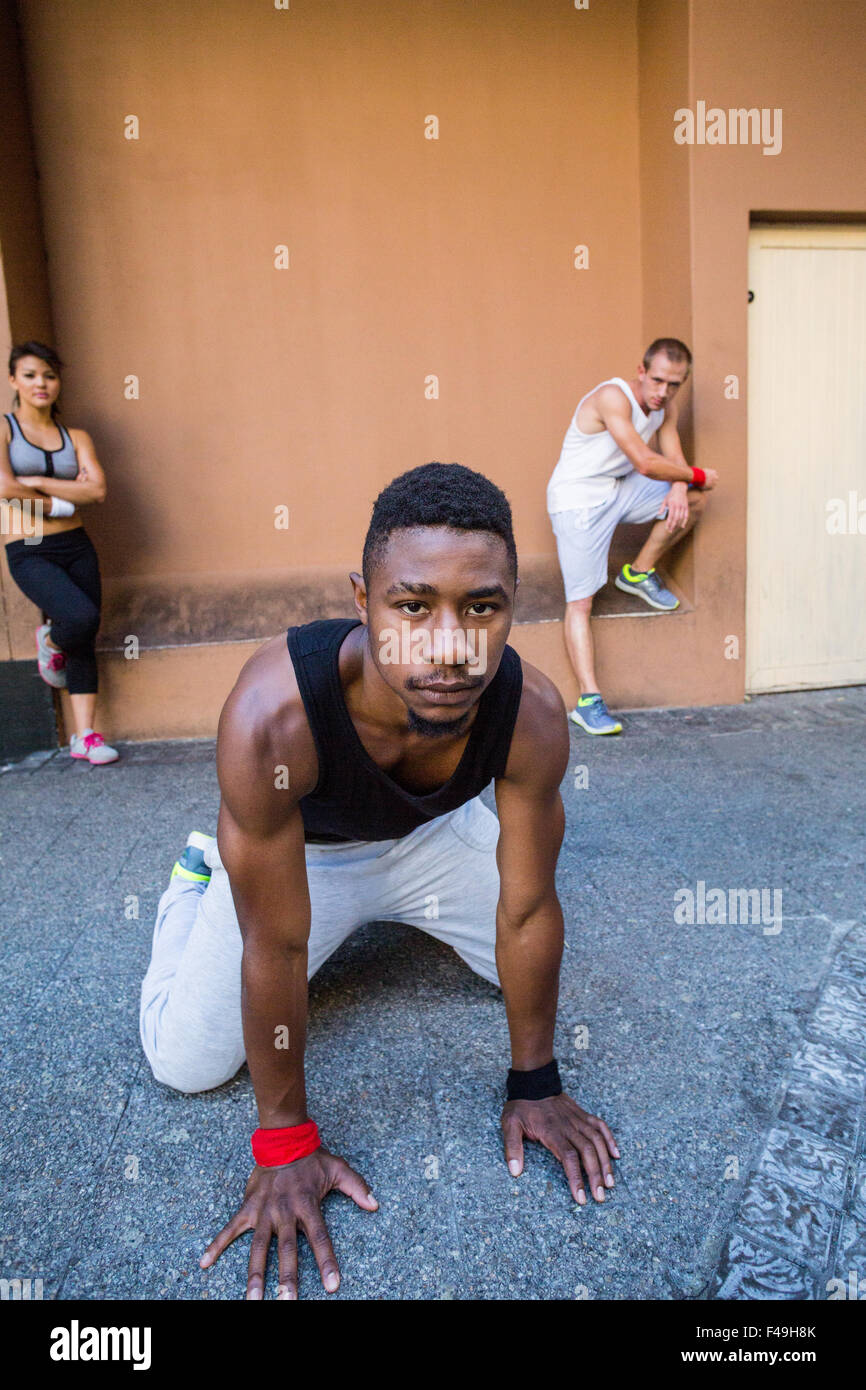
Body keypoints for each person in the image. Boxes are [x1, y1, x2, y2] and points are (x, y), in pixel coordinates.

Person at [140, 462, 620, 1300]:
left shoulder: (532, 713)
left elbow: (530, 907)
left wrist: (536, 1082)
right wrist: (284, 1143)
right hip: (309, 854)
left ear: (513, 602)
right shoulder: (273, 718)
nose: (449, 646)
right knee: (186, 1064)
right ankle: (195, 876)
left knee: (510, 967)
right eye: (412, 605)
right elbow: (277, 945)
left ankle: (405, 906)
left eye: (482, 607)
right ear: (362, 598)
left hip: (433, 833)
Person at [547, 338, 718, 735]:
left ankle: (638, 572)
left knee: (692, 501)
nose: (663, 392)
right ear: (641, 372)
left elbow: (670, 453)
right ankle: (588, 701)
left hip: (620, 489)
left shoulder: (665, 407)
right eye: (657, 381)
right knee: (581, 602)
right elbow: (644, 459)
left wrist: (681, 486)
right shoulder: (613, 397)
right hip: (579, 502)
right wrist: (695, 475)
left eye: (674, 384)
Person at [2, 342, 118, 764]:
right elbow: (3, 488)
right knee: (77, 618)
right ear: (14, 380)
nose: (41, 384)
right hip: (28, 543)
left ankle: (84, 736)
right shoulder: (5, 429)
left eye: (49, 376)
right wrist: (67, 499)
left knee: (86, 632)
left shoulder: (76, 437)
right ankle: (50, 639)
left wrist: (34, 480)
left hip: (76, 544)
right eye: (30, 375)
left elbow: (98, 490)